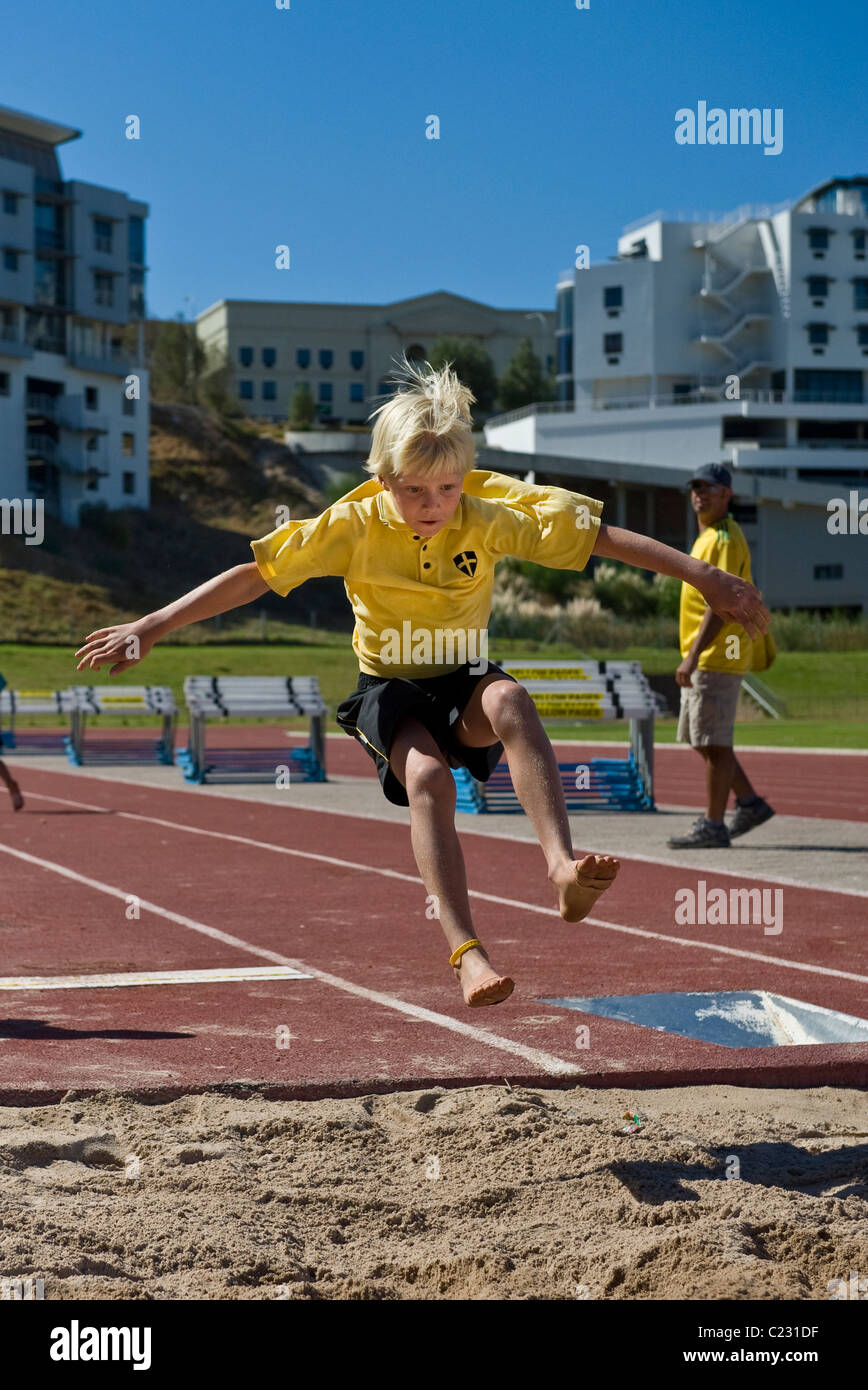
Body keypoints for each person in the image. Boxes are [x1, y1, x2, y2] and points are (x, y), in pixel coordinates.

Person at [74, 357, 769, 1008]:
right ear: (381, 480)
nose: (432, 505)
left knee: (510, 699)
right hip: (390, 689)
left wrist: (705, 575)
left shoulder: (485, 511)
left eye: (446, 489)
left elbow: (599, 539)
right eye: (413, 491)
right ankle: (467, 952)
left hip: (463, 676)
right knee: (431, 782)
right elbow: (258, 574)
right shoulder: (350, 525)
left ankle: (561, 868)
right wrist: (155, 623)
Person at [668, 462, 775, 850]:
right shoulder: (708, 536)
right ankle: (749, 802)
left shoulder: (725, 537)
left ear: (727, 493)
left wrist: (692, 656)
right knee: (704, 738)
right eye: (695, 487)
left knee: (713, 741)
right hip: (710, 655)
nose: (699, 493)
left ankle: (714, 825)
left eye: (708, 488)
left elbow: (722, 602)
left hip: (718, 654)